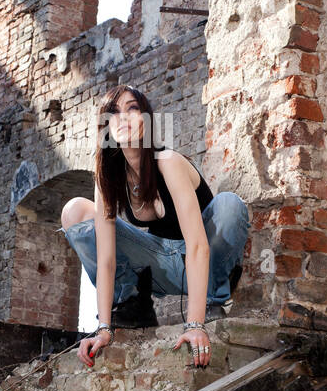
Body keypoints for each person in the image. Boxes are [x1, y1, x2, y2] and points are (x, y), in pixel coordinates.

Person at [57, 84, 249, 370]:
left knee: (229, 205)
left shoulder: (167, 162)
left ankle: (215, 297)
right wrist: (104, 328)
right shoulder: (107, 178)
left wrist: (194, 325)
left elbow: (197, 245)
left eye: (132, 109)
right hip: (159, 263)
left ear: (146, 119)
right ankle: (132, 304)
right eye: (113, 113)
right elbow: (106, 259)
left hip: (203, 258)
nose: (122, 118)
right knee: (75, 212)